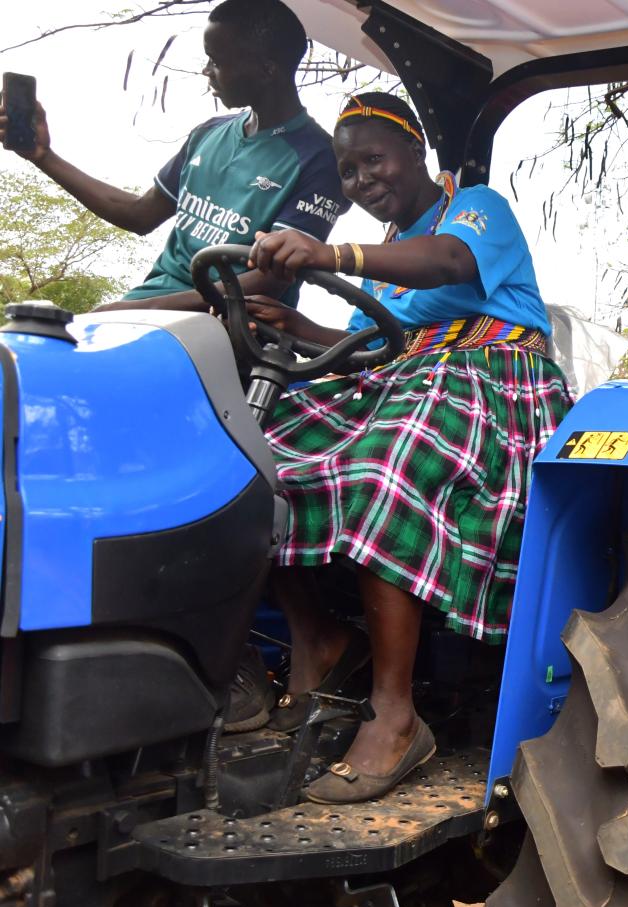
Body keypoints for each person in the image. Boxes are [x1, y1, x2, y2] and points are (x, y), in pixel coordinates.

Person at [239, 92, 572, 803]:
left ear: (415, 150)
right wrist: (294, 323)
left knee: (385, 470)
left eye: (373, 160)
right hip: (409, 381)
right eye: (348, 170)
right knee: (255, 461)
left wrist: (329, 250)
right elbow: (378, 348)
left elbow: (448, 263)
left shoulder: (473, 210)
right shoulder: (379, 261)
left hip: (494, 385)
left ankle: (396, 714)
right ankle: (317, 641)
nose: (362, 181)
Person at [0, 0, 345, 310]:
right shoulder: (209, 133)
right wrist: (42, 155)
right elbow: (138, 214)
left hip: (229, 326)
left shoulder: (319, 159)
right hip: (151, 307)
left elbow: (270, 283)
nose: (206, 70)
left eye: (217, 61)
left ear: (267, 70)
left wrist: (142, 311)